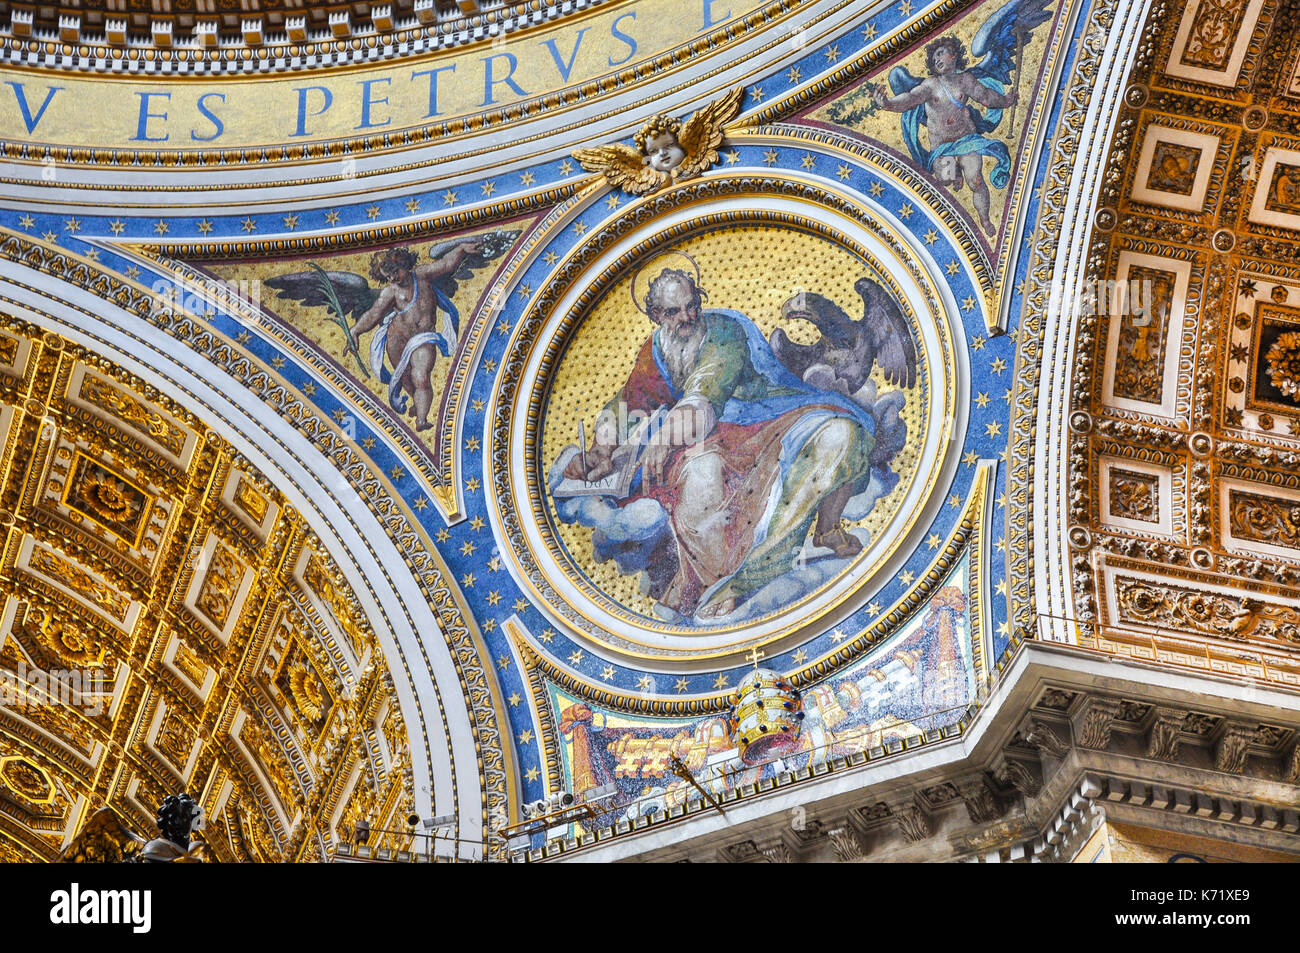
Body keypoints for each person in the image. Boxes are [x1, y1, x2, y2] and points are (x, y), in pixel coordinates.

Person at [562, 267, 878, 620]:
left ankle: (810, 539)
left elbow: (706, 393)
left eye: (692, 305)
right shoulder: (657, 350)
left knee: (843, 432)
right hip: (710, 439)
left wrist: (665, 437)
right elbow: (629, 401)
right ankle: (704, 583)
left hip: (764, 415)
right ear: (655, 316)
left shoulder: (723, 331)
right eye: (674, 311)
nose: (687, 317)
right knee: (702, 482)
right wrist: (600, 452)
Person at [872, 36, 1018, 235]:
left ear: (954, 55)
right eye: (933, 57)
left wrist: (1006, 101)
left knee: (975, 180)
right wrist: (888, 104)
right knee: (945, 179)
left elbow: (985, 96)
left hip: (966, 139)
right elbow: (911, 98)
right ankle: (954, 174)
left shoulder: (965, 80)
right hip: (942, 147)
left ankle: (984, 219)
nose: (937, 59)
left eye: (941, 53)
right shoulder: (931, 85)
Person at [352, 242, 481, 431]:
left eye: (395, 272)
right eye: (388, 276)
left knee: (420, 376)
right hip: (397, 340)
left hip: (423, 338)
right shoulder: (391, 291)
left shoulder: (422, 276)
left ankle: (422, 419)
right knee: (405, 379)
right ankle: (417, 402)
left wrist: (461, 248)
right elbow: (374, 314)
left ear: (404, 264)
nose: (393, 278)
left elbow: (446, 264)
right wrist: (355, 330)